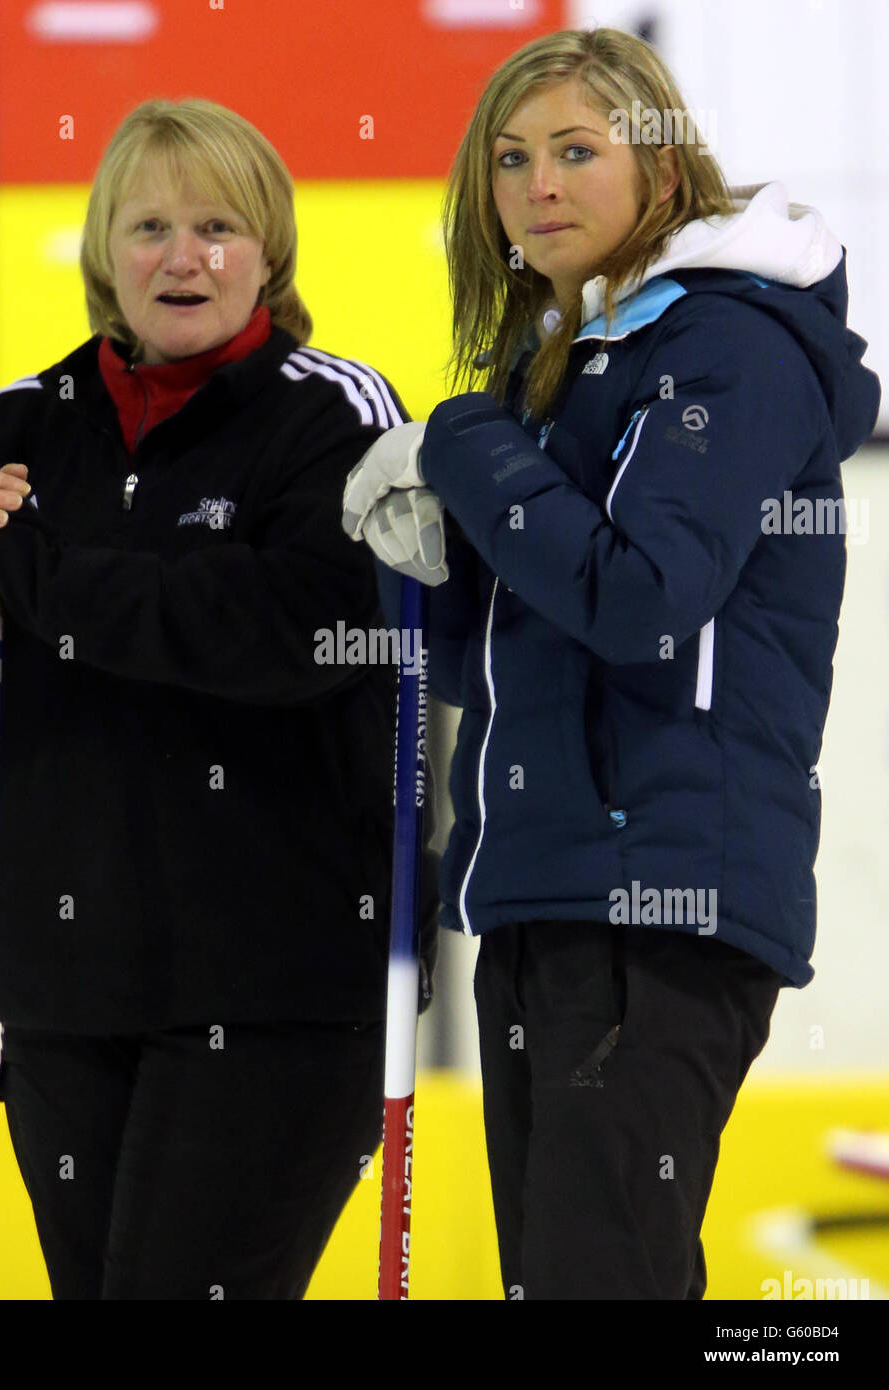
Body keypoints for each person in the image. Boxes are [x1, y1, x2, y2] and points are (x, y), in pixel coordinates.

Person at [0, 97, 436, 1300]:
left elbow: (300, 631)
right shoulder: (25, 420)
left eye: (219, 224)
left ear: (269, 250)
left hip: (277, 987)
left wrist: (44, 577)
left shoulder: (334, 415)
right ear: (102, 253)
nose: (184, 256)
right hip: (67, 984)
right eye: (150, 225)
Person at [343, 26, 880, 1299]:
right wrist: (414, 555)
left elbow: (642, 599)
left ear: (660, 165)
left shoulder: (731, 347)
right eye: (512, 159)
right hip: (542, 894)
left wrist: (462, 445)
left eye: (578, 151)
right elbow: (504, 658)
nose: (539, 186)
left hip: (660, 895)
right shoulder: (553, 368)